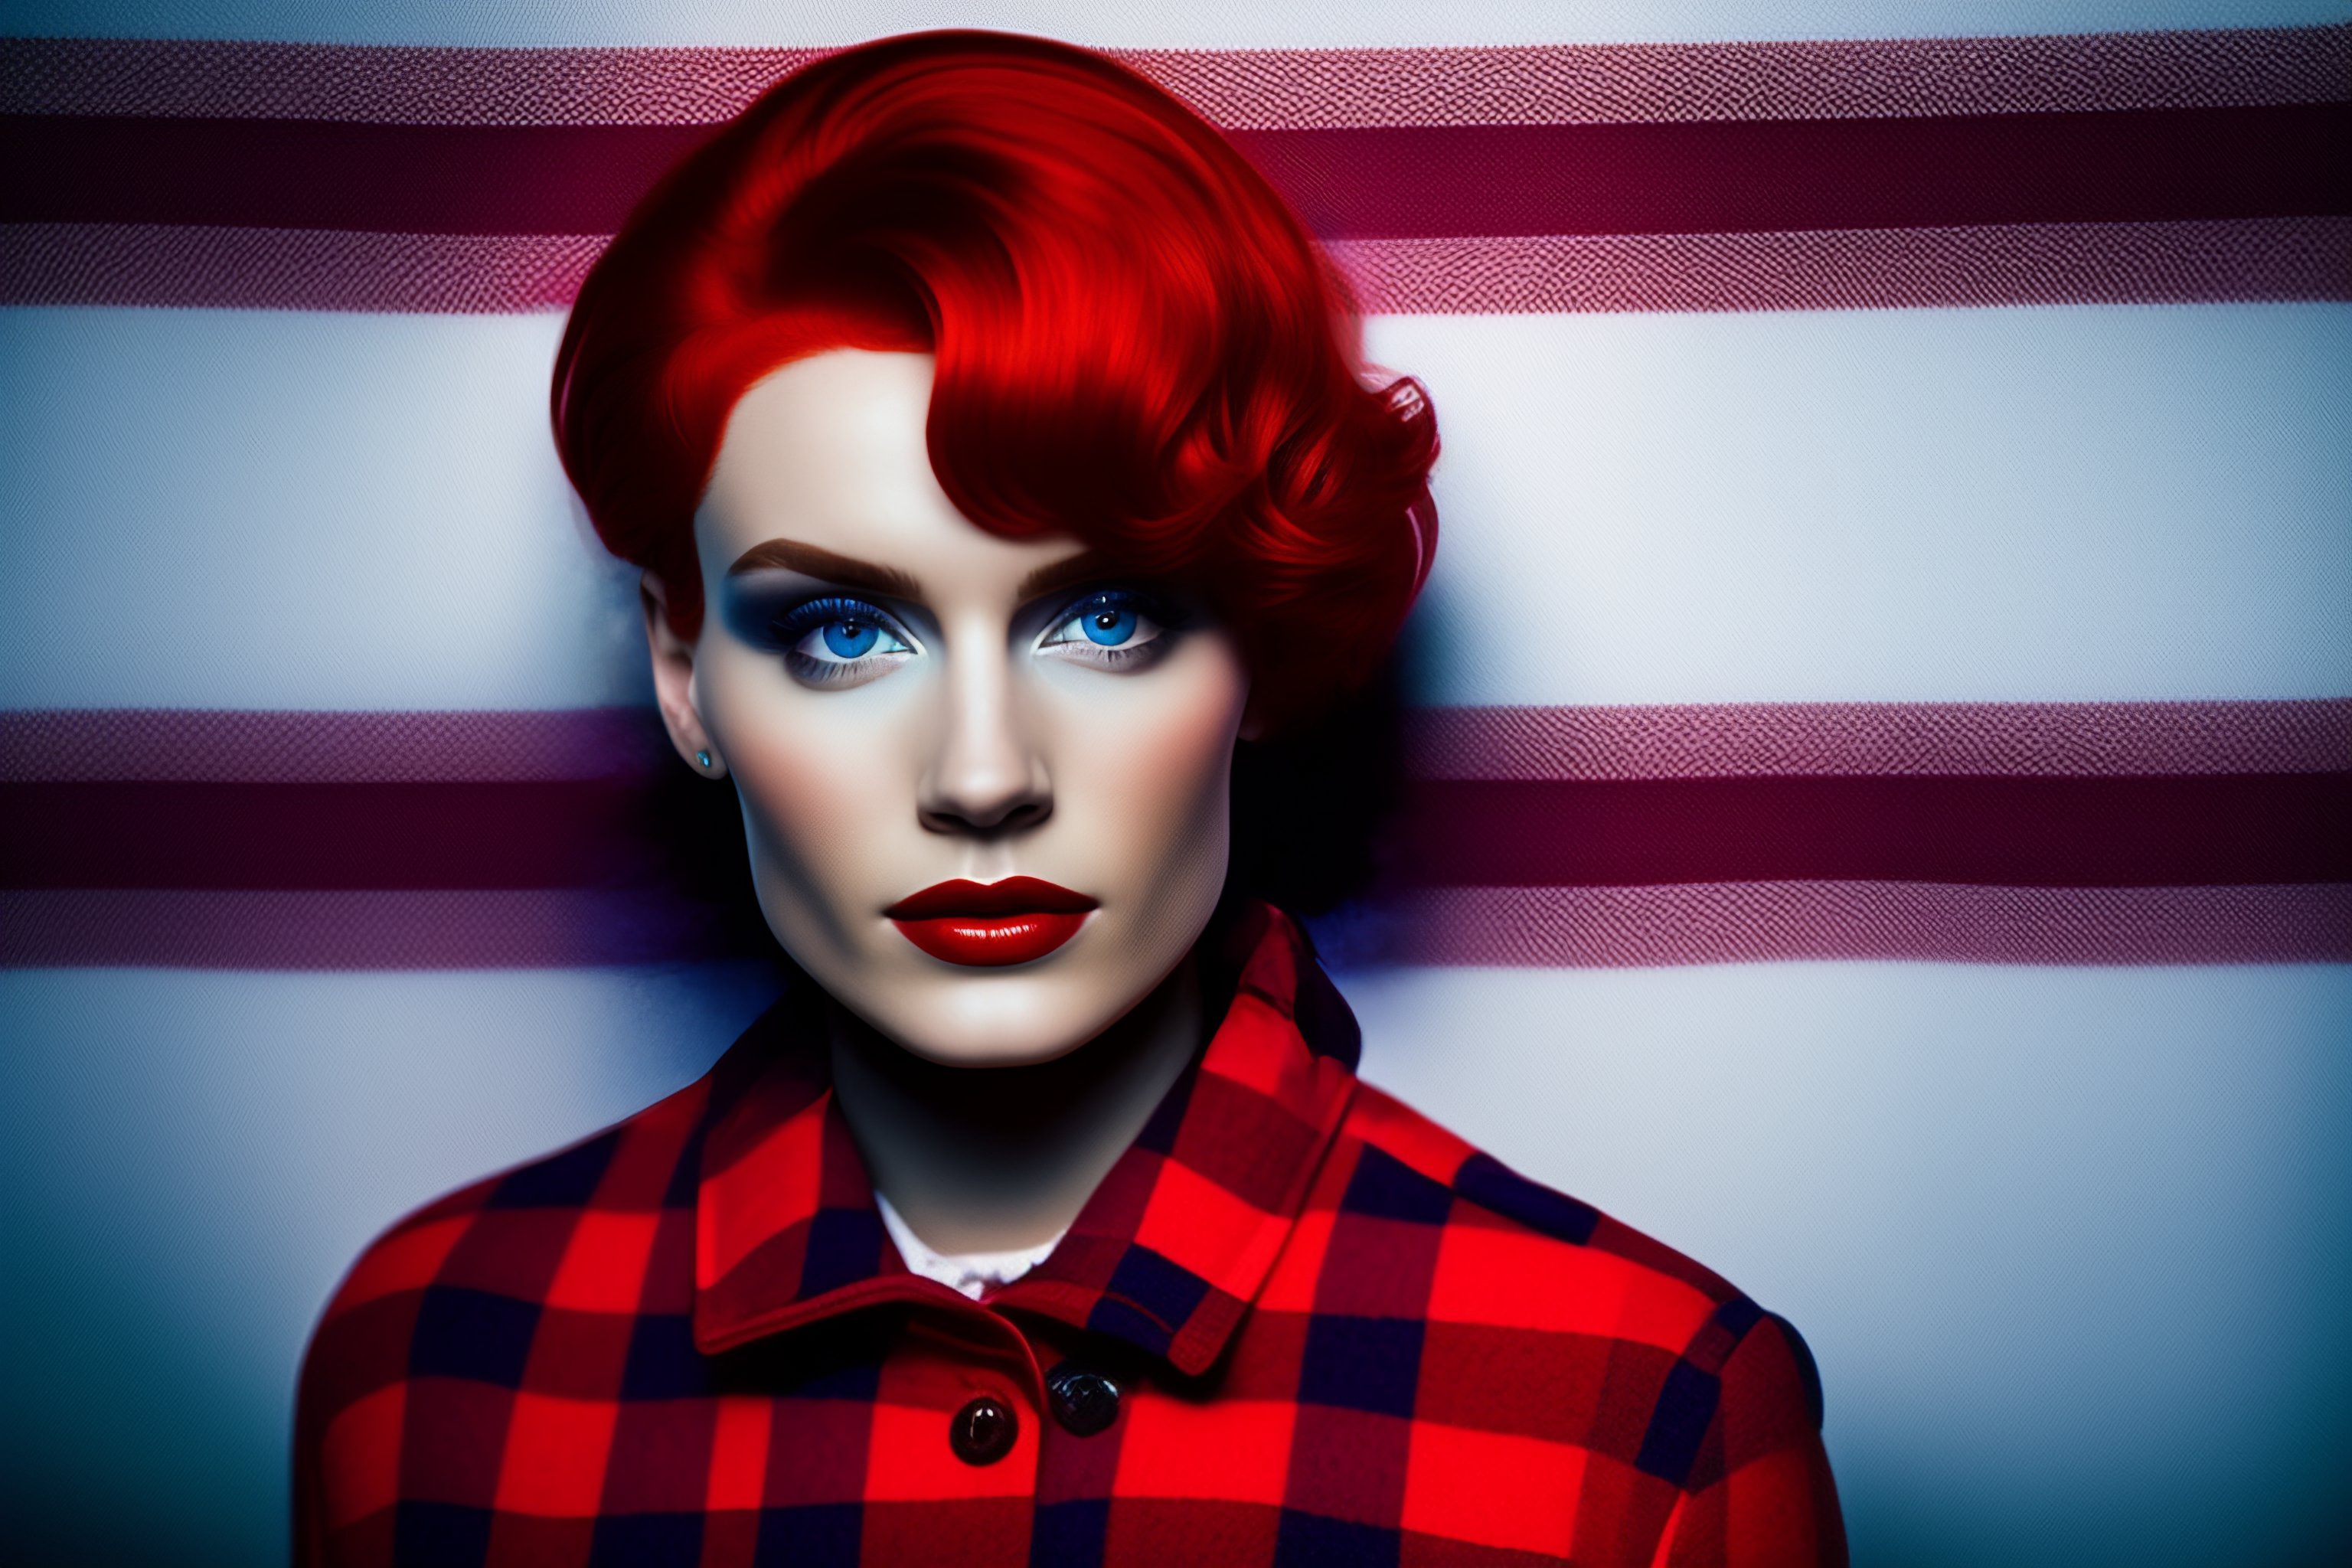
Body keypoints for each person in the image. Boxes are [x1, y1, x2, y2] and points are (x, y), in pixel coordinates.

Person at [294, 31, 1844, 1567]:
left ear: (1259, 650)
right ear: (687, 673)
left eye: (1107, 617)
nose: (984, 777)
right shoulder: (434, 1365)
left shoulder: (1641, 1422)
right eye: (843, 630)